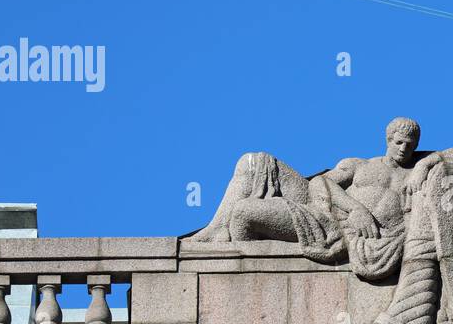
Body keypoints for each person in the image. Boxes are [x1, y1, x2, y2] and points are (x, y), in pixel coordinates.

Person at [188, 116, 439, 280]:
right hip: (323, 206)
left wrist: (425, 164)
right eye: (398, 142)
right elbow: (321, 182)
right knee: (255, 161)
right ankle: (216, 230)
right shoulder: (360, 165)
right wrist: (356, 210)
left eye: (410, 144)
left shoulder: (415, 175)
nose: (404, 149)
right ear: (387, 139)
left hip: (330, 228)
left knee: (243, 211)